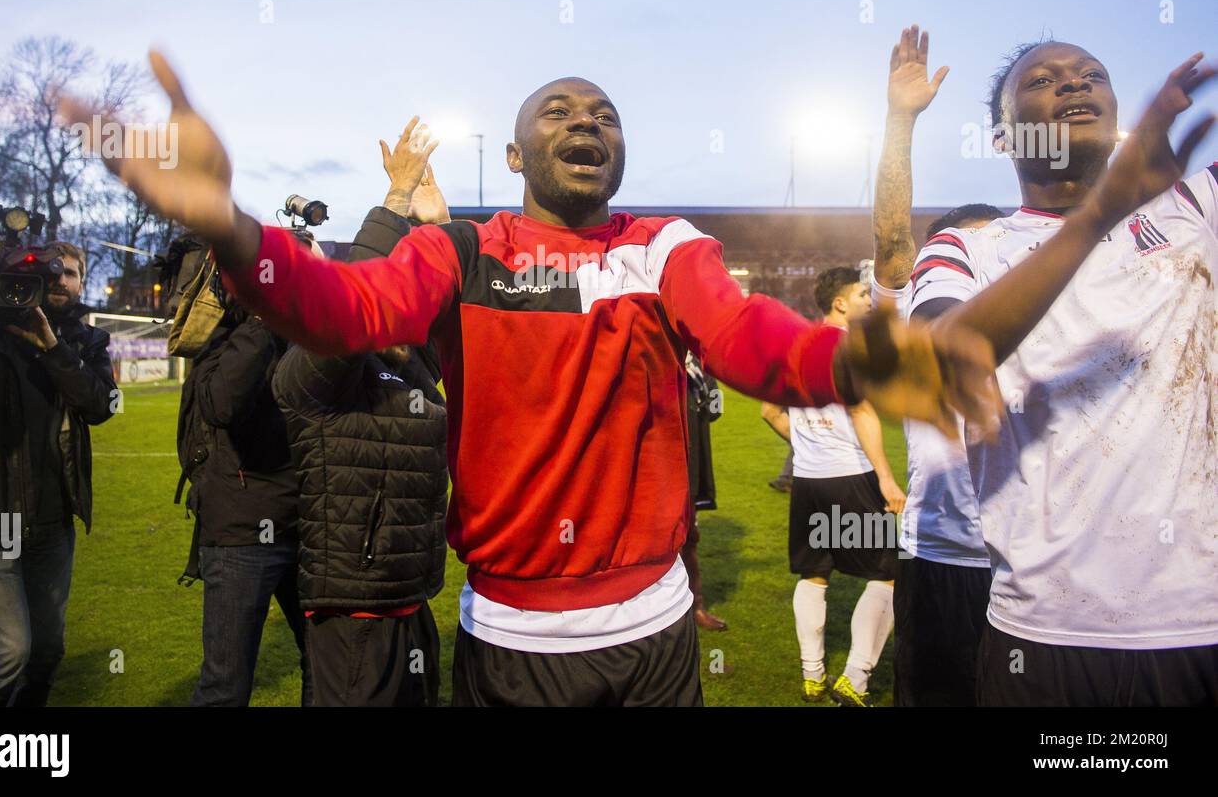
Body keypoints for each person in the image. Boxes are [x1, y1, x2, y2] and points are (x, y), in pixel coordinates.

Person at [66, 55, 1004, 707]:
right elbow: (342, 310)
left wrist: (846, 362)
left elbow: (741, 334)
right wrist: (233, 232)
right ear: (515, 157)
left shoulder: (663, 244)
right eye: (558, 111)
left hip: (657, 633)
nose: (586, 120)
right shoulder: (461, 251)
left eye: (603, 113)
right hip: (512, 640)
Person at [911, 42, 1217, 705]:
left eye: (1093, 75)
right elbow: (945, 353)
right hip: (1044, 631)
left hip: (1201, 622)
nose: (1074, 83)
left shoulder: (1197, 207)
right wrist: (1103, 209)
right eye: (1043, 80)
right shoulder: (969, 245)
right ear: (1001, 133)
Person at [273, 118, 452, 706]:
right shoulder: (314, 373)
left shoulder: (413, 363)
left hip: (412, 599)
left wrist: (444, 231)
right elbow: (350, 313)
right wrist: (395, 201)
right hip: (354, 611)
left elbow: (460, 318)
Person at [869, 24, 1004, 706]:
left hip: (1037, 563)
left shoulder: (1039, 285)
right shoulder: (925, 282)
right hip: (944, 556)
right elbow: (894, 239)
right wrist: (899, 123)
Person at [0, 241, 116, 706]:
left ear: (83, 282)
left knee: (46, 651)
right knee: (7, 651)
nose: (61, 281)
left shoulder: (88, 341)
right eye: (51, 275)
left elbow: (100, 405)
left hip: (52, 522)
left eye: (71, 274)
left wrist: (54, 348)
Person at [761, 267, 904, 707]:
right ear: (840, 303)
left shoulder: (795, 347)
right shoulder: (848, 349)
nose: (869, 300)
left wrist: (806, 444)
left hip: (808, 481)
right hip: (851, 477)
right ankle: (855, 679)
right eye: (863, 294)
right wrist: (885, 477)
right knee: (887, 575)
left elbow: (770, 411)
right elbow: (862, 414)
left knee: (815, 573)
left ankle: (812, 675)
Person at [177, 271, 311, 706]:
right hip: (240, 530)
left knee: (328, 668)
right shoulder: (221, 336)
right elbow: (221, 405)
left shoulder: (306, 333)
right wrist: (260, 318)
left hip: (309, 524)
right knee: (225, 685)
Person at [681, 352, 726, 631]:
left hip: (691, 462)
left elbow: (715, 410)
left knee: (689, 536)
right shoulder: (657, 350)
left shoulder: (697, 362)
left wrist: (707, 378)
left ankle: (696, 605)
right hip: (658, 463)